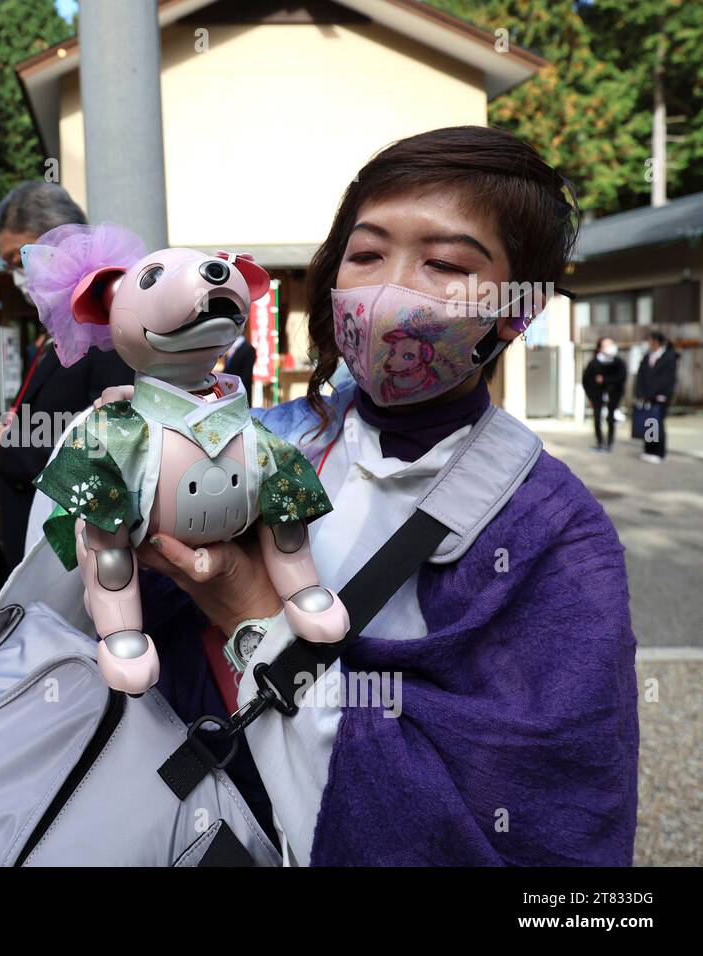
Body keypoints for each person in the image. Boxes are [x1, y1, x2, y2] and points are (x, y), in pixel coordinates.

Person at [122, 127, 637, 865]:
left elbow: (549, 818)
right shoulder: (263, 441)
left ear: (517, 310)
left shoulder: (553, 536)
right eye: (366, 255)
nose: (389, 291)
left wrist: (249, 613)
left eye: (445, 264)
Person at [0, 182, 133, 590]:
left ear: (67, 245)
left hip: (69, 572)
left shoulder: (108, 333)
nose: (16, 275)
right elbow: (56, 419)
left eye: (21, 258)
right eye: (9, 264)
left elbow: (114, 455)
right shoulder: (61, 329)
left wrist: (3, 443)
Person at [634, 330, 676, 463]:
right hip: (646, 397)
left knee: (658, 424)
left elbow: (666, 380)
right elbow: (640, 376)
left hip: (660, 397)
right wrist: (639, 392)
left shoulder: (669, 357)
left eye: (650, 341)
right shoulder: (647, 357)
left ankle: (659, 452)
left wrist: (652, 393)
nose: (648, 343)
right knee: (648, 423)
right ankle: (648, 450)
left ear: (656, 342)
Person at [582, 337, 626, 453]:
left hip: (614, 395)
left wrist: (605, 380)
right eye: (607, 345)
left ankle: (609, 443)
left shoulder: (618, 362)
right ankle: (600, 442)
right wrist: (590, 396)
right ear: (600, 348)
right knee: (597, 418)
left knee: (611, 418)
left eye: (611, 344)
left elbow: (621, 378)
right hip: (597, 396)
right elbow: (586, 380)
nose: (611, 347)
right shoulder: (594, 363)